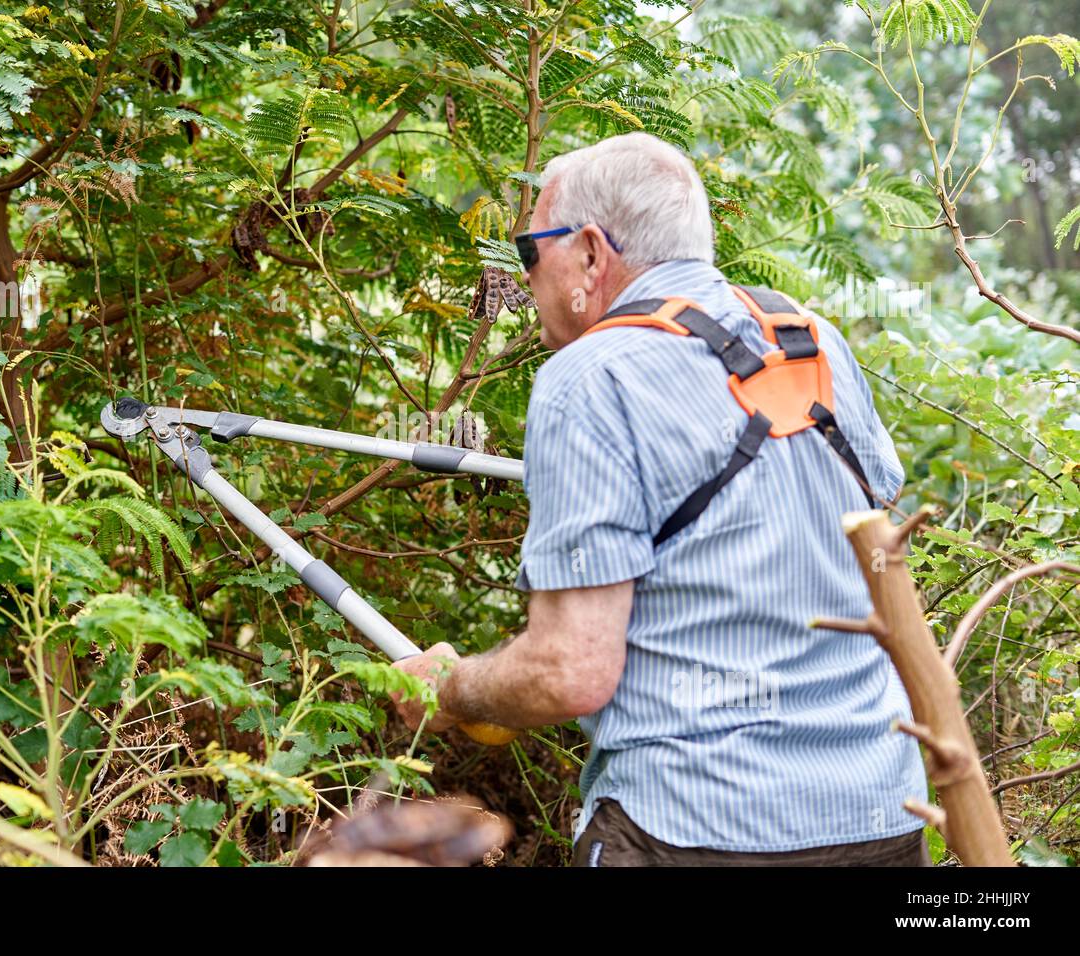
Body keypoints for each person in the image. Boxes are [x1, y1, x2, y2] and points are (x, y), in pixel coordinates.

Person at [391, 131, 930, 866]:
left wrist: (453, 690)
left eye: (528, 253)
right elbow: (876, 554)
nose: (526, 281)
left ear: (588, 252)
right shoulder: (813, 344)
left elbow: (569, 671)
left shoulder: (591, 378)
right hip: (877, 818)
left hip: (692, 828)